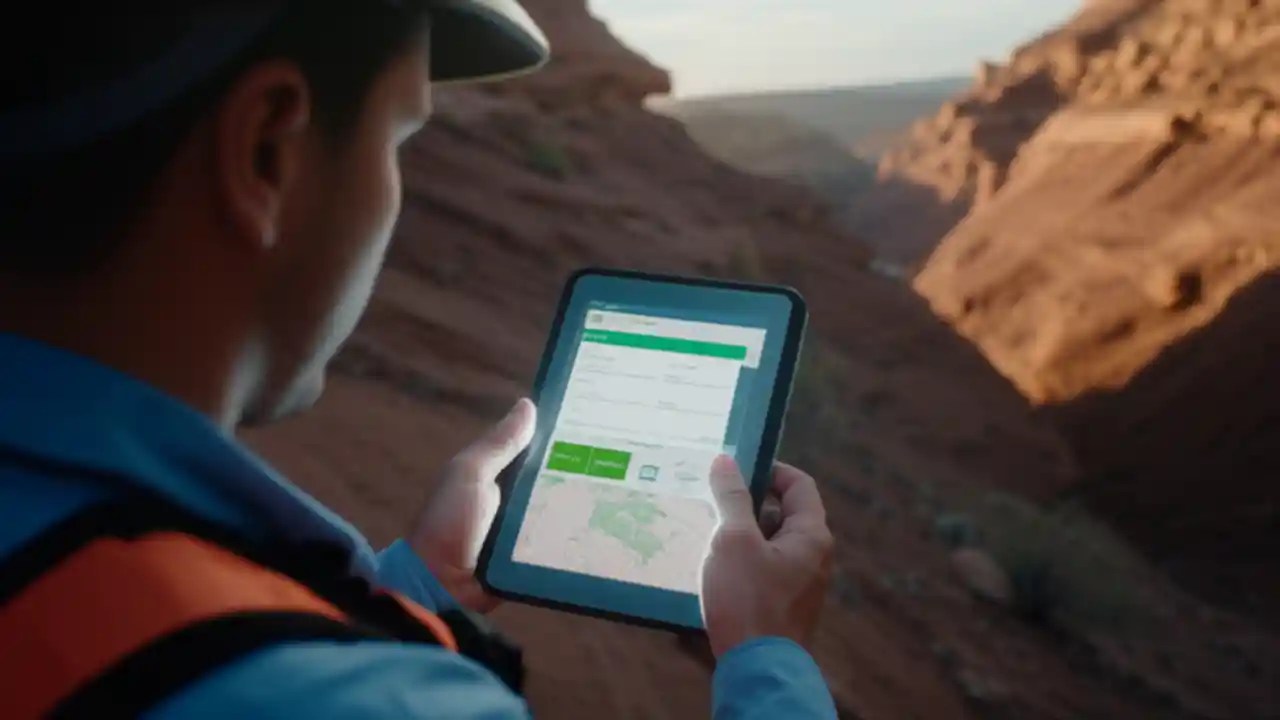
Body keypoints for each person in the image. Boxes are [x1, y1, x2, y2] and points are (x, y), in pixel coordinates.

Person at [0, 1, 838, 717]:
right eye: (401, 140)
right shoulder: (353, 701)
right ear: (267, 151)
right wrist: (766, 656)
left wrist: (413, 588)